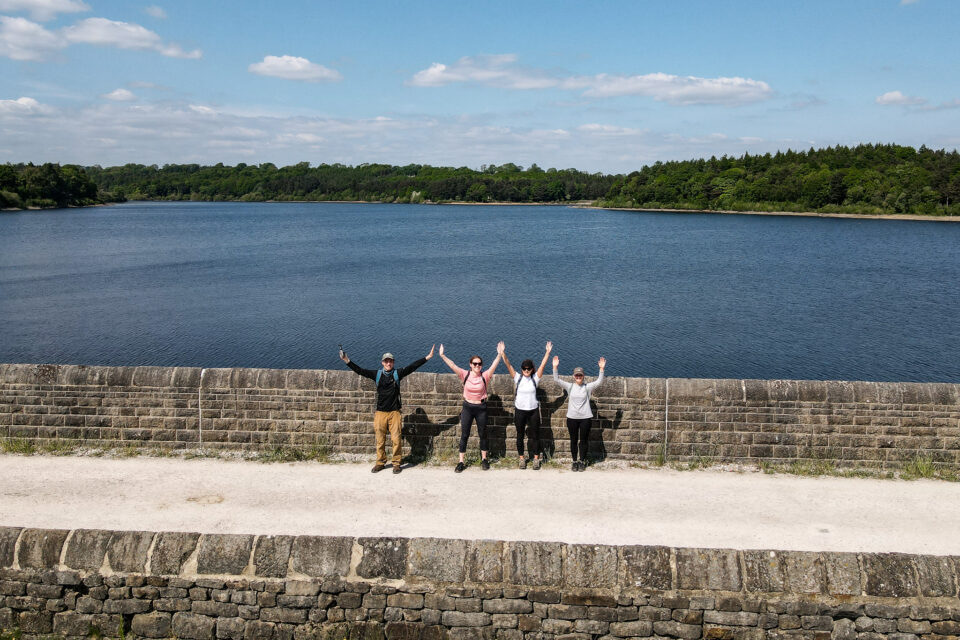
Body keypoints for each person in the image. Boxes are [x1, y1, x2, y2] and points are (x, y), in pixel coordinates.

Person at [340, 345, 434, 474]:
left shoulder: (397, 374)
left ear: (393, 362)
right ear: (382, 362)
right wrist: (347, 360)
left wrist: (427, 357)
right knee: (380, 440)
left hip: (395, 412)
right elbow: (360, 371)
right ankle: (380, 462)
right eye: (386, 361)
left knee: (396, 440)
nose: (388, 363)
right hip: (380, 413)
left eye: (391, 361)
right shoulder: (377, 374)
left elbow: (413, 367)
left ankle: (396, 463)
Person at [438, 341, 504, 472]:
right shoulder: (465, 374)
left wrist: (500, 354)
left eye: (479, 364)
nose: (477, 366)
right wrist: (442, 355)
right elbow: (452, 365)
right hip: (467, 407)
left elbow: (494, 365)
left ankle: (484, 459)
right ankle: (461, 462)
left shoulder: (485, 376)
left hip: (481, 408)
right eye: (475, 364)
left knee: (483, 434)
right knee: (465, 435)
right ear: (471, 365)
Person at [501, 342, 552, 469]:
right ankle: (521, 459)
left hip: (533, 410)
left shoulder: (535, 378)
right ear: (522, 369)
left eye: (528, 368)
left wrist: (547, 352)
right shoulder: (517, 378)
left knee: (535, 436)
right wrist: (502, 353)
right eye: (524, 368)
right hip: (520, 411)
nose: (526, 370)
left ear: (532, 369)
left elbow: (543, 365)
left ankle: (536, 459)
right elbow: (508, 364)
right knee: (520, 435)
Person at [552, 355, 606, 471]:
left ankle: (582, 461)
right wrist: (555, 367)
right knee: (573, 440)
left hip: (585, 418)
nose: (578, 377)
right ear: (573, 376)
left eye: (580, 375)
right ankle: (574, 461)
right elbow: (556, 380)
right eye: (576, 375)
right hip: (572, 418)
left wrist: (601, 369)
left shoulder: (587, 387)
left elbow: (599, 381)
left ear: (583, 376)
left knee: (583, 441)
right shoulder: (569, 386)